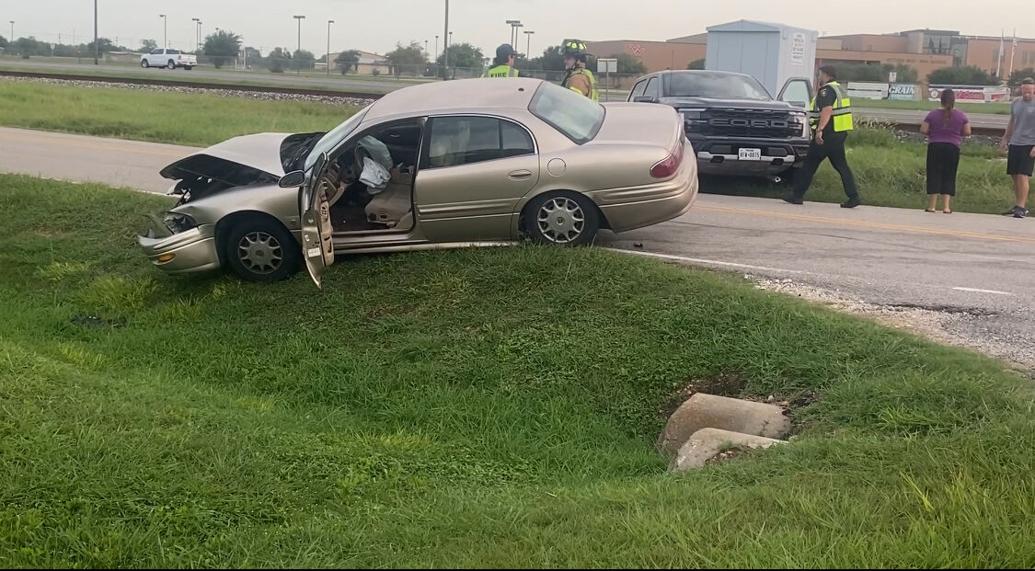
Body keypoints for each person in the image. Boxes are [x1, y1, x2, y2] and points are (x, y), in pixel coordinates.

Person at [783, 65, 861, 208]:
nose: (818, 77)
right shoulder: (839, 89)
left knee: (809, 164)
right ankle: (854, 196)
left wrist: (819, 130)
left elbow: (827, 110)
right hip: (839, 133)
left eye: (819, 74)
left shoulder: (827, 90)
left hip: (827, 134)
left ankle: (797, 195)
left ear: (826, 75)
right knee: (841, 166)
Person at [921, 88, 971, 214]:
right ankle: (946, 207)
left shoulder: (932, 114)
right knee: (949, 174)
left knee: (934, 173)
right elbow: (967, 131)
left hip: (935, 146)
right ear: (954, 100)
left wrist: (934, 133)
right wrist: (955, 134)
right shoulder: (961, 115)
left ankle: (932, 206)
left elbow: (923, 129)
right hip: (953, 147)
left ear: (941, 100)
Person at [999, 77, 1035, 218]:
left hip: (1029, 143)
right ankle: (1018, 203)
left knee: (1022, 174)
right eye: (1024, 91)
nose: (1027, 94)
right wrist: (1005, 138)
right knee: (1014, 174)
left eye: (1030, 91)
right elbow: (1012, 121)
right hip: (1015, 142)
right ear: (1021, 89)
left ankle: (1022, 206)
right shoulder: (1016, 103)